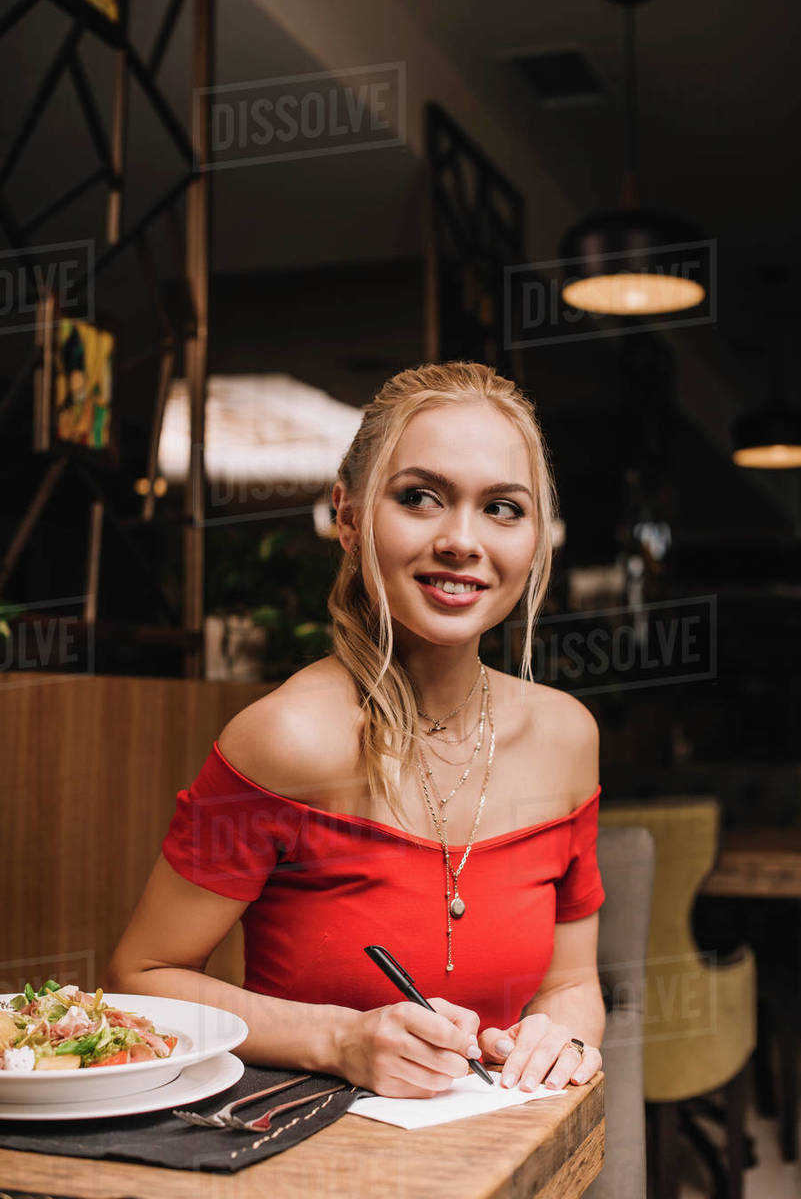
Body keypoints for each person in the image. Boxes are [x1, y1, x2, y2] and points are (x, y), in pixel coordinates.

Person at [108, 361, 606, 1099]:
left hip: (498, 1150)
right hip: (311, 1150)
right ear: (347, 517)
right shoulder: (284, 740)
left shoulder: (568, 737)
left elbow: (571, 983)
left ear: (535, 538)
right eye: (419, 498)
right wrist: (338, 1039)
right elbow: (140, 980)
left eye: (502, 507)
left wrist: (559, 1035)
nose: (461, 540)